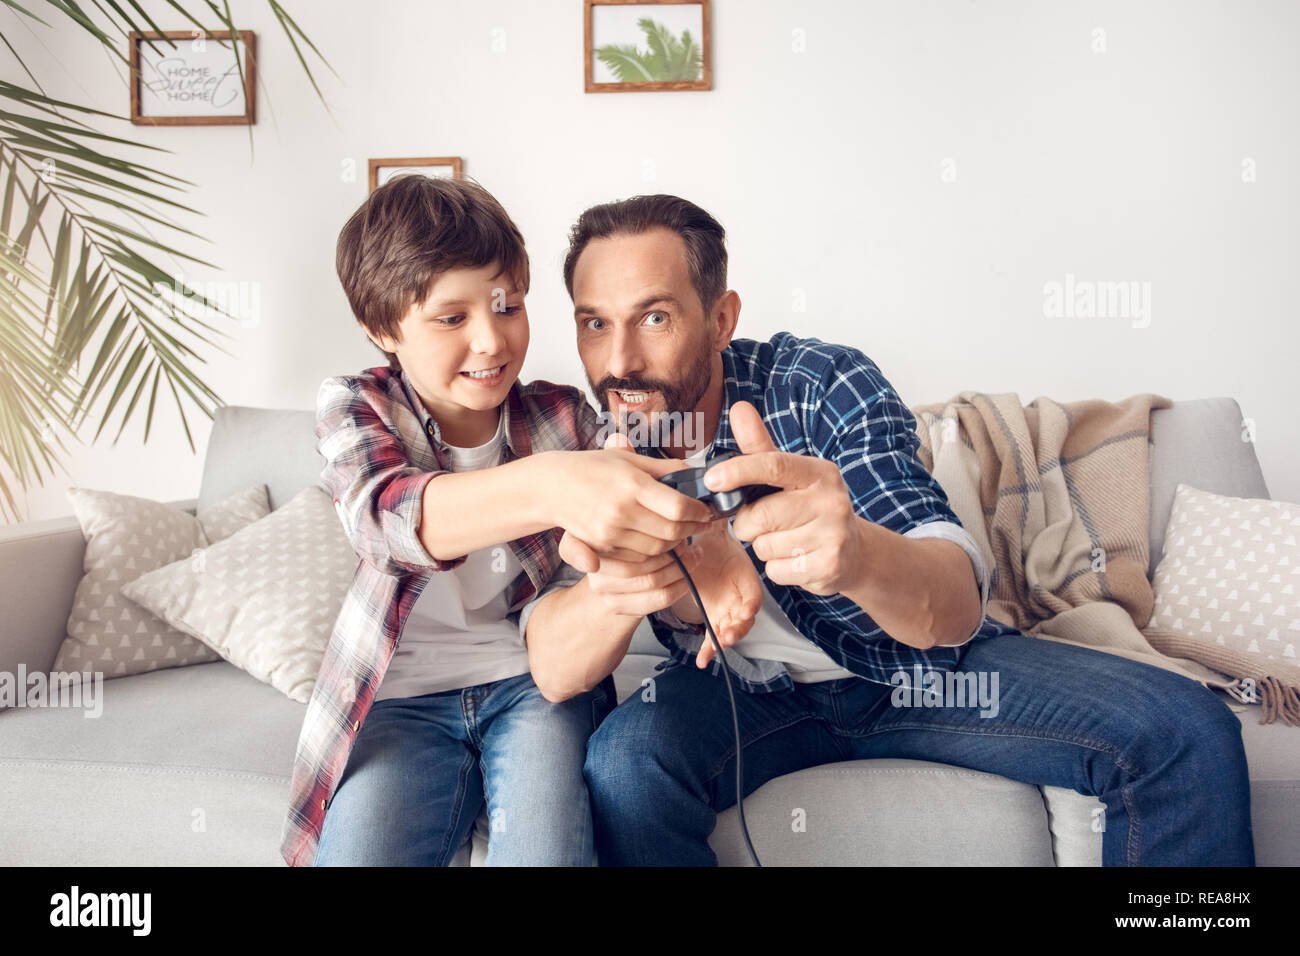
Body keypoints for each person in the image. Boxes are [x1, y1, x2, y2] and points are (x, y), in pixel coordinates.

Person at [521, 194, 1255, 866]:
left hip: (912, 675)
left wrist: (857, 557)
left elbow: (955, 601)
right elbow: (555, 665)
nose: (618, 361)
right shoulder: (587, 441)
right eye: (594, 323)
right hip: (740, 693)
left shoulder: (820, 385)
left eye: (654, 318)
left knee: (1185, 731)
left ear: (719, 319)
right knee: (624, 766)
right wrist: (623, 583)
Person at [280, 176, 718, 866]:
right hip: (401, 699)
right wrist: (556, 484)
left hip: (532, 689)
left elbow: (634, 495)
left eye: (507, 305)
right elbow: (388, 522)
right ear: (382, 327)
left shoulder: (565, 416)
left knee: (547, 851)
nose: (491, 341)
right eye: (452, 319)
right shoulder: (356, 404)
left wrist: (673, 516)